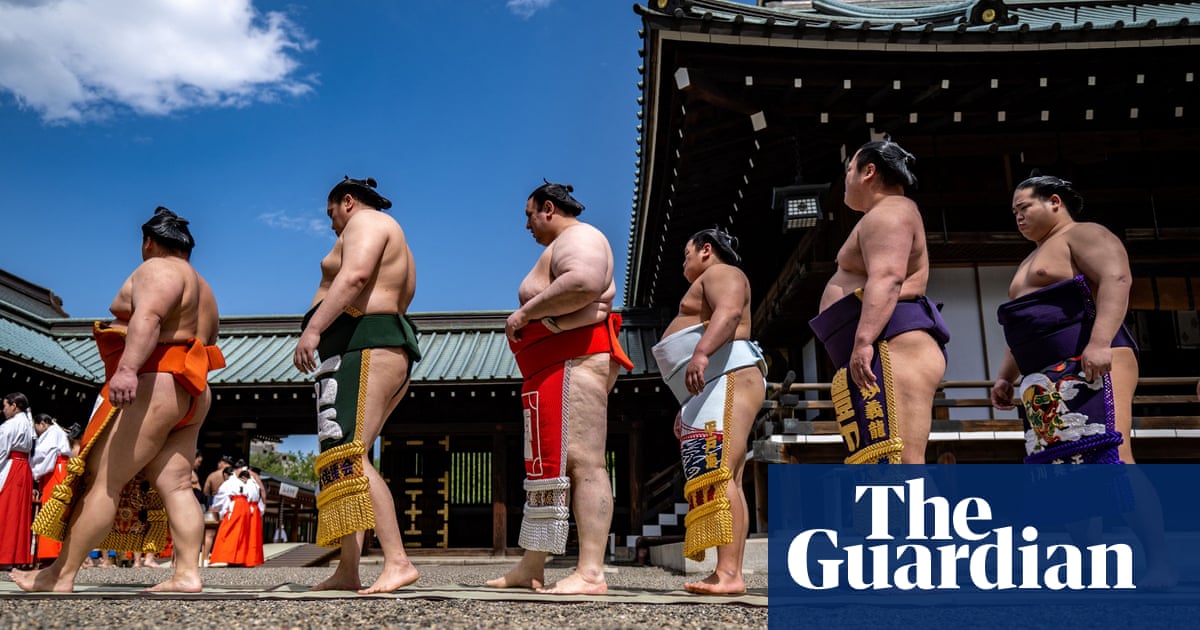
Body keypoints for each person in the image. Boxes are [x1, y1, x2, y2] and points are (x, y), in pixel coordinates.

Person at [13, 206, 224, 593]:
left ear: (148, 242)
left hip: (157, 380)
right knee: (177, 486)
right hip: (193, 390)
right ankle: (187, 574)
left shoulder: (157, 269)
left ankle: (59, 575)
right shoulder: (204, 289)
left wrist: (127, 369)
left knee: (106, 481)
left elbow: (148, 319)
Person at [990, 174, 1174, 587]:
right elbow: (1023, 327)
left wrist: (1100, 341)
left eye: (1025, 207)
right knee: (1065, 468)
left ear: (1054, 201)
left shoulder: (1083, 234)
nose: (1018, 216)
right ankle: (1090, 567)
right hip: (1042, 373)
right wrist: (1007, 375)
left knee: (1114, 455)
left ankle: (1159, 563)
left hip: (1092, 358)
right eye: (1014, 212)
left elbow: (1117, 279)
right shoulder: (1029, 260)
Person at [486, 181, 633, 595]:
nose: (528, 226)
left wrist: (526, 314)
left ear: (548, 209)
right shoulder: (565, 242)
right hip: (552, 366)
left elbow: (584, 281)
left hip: (577, 359)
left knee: (584, 462)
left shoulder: (581, 236)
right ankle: (532, 565)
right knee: (551, 463)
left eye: (529, 215)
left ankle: (590, 572)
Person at [292, 176, 421, 594]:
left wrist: (312, 330)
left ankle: (397, 561)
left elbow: (355, 276)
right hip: (364, 346)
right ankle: (349, 568)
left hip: (366, 344)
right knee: (351, 457)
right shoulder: (385, 229)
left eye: (331, 214)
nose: (332, 225)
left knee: (350, 454)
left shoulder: (367, 223)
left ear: (347, 202)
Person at [809, 137, 950, 464]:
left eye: (849, 170)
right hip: (881, 346)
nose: (845, 179)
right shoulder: (882, 214)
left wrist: (863, 340)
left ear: (868, 171)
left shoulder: (892, 211)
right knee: (879, 463)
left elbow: (888, 277)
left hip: (890, 345)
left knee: (899, 461)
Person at [650, 228, 766, 594]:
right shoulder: (712, 278)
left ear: (706, 250)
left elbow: (729, 313)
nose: (683, 260)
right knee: (728, 475)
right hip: (715, 382)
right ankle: (727, 571)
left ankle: (729, 574)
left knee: (720, 473)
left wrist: (700, 353)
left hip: (727, 373)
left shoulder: (722, 273)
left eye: (686, 252)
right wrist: (687, 402)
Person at [0, 393, 36, 569]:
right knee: (19, 513)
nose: (3, 409)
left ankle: (4, 556)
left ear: (14, 406)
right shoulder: (28, 424)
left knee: (5, 511)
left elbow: (1, 451)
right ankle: (16, 556)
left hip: (10, 467)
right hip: (24, 468)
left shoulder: (10, 425)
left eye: (5, 405)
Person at [30, 413, 71, 564]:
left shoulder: (52, 433)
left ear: (42, 424)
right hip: (59, 469)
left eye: (36, 426)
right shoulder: (57, 432)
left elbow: (43, 455)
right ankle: (55, 552)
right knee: (57, 511)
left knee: (51, 510)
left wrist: (35, 473)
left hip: (55, 471)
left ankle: (52, 553)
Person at [208, 466, 264, 567]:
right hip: (250, 507)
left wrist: (221, 511)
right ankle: (246, 559)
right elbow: (262, 495)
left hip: (237, 505)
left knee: (229, 531)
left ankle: (225, 557)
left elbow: (221, 498)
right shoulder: (253, 483)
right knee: (246, 535)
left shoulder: (229, 483)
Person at [201, 454, 233, 565]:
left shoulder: (213, 475)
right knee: (228, 533)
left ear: (222, 463)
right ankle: (224, 558)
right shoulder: (235, 476)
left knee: (209, 533)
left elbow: (205, 491)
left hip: (214, 505)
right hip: (230, 506)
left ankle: (205, 558)